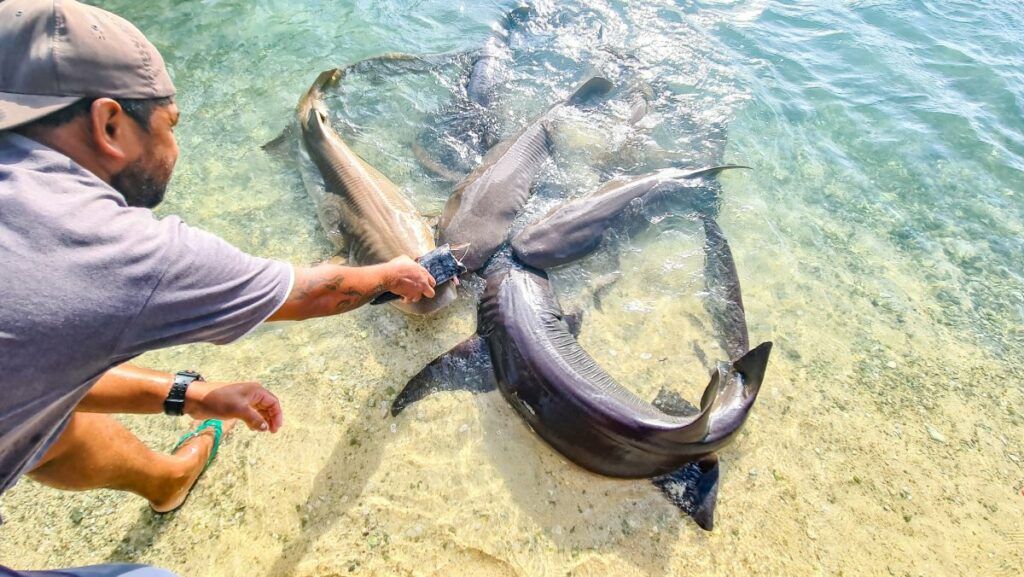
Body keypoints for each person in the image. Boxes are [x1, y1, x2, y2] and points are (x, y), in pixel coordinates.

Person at [0, 1, 441, 575]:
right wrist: (386, 275)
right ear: (109, 123)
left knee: (51, 428)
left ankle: (169, 479)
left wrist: (194, 394)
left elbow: (32, 357)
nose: (175, 147)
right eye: (170, 124)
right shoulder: (115, 250)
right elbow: (313, 294)